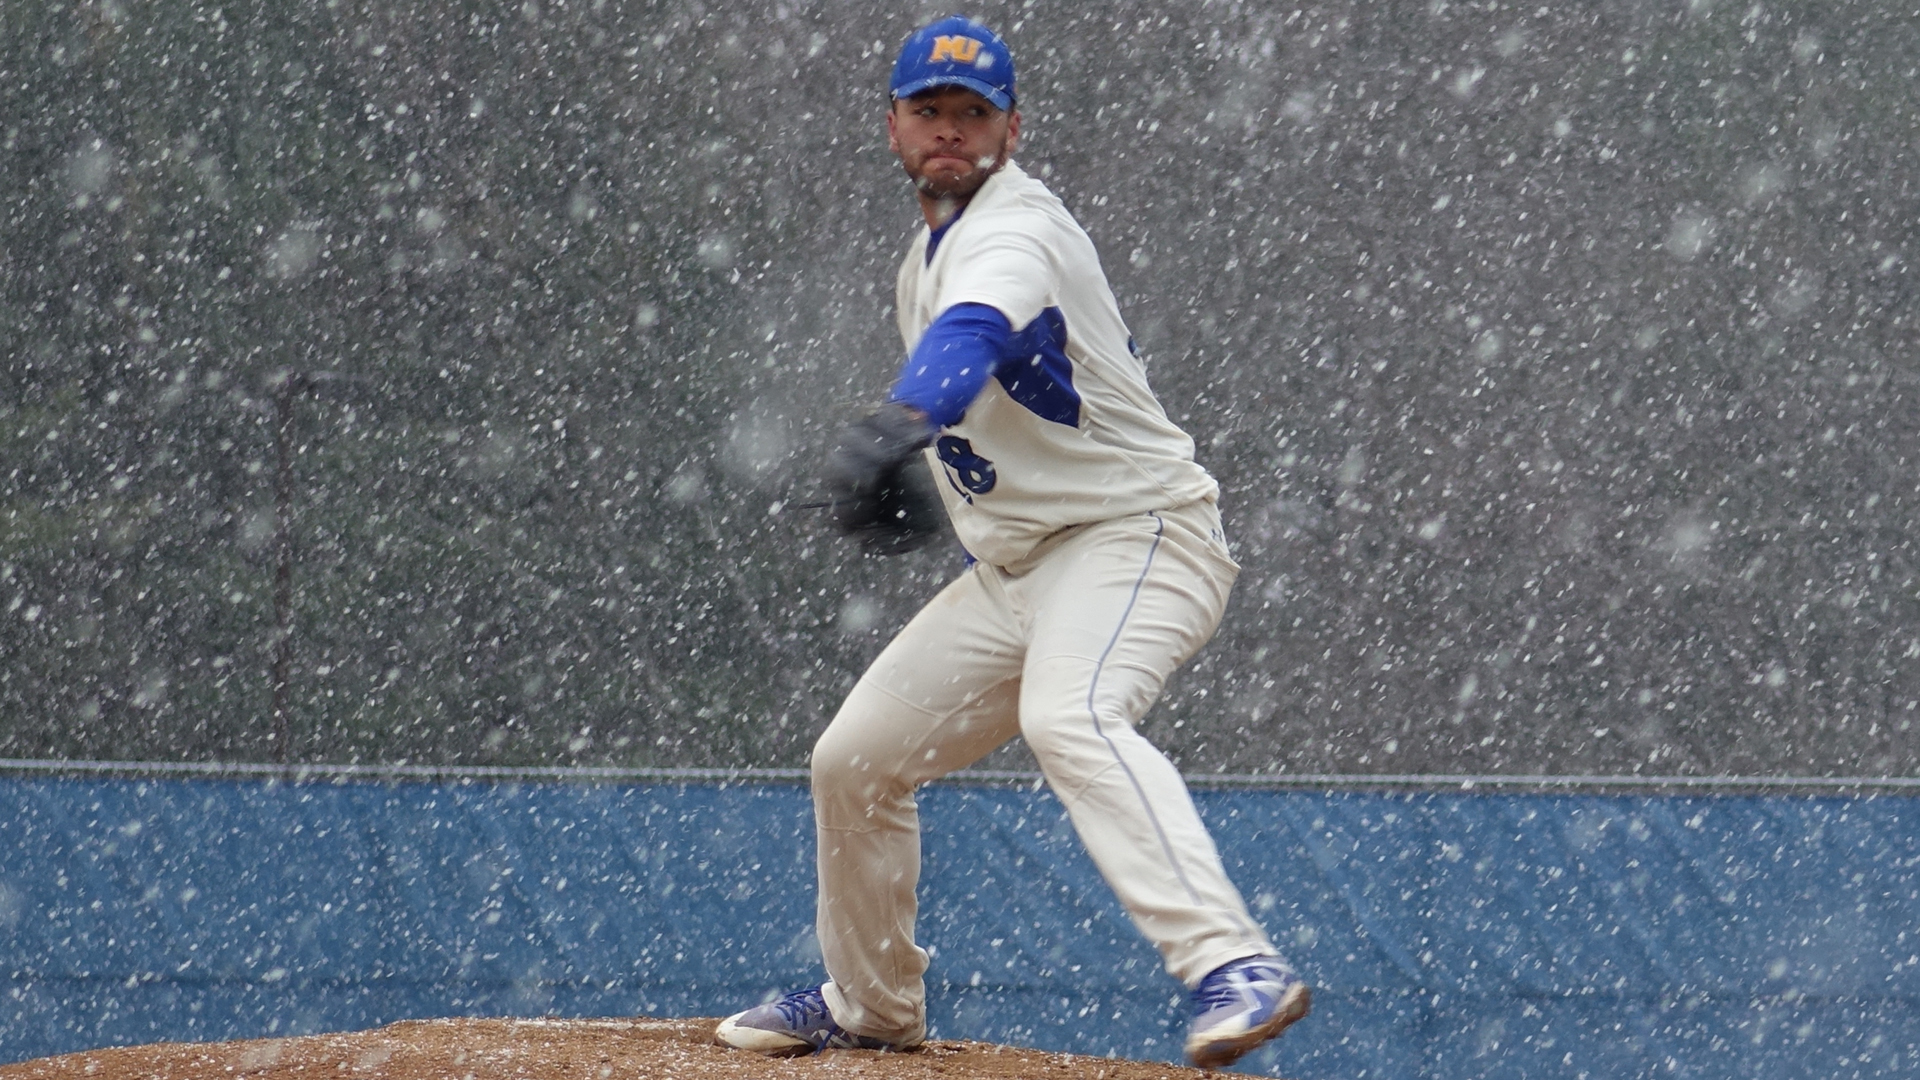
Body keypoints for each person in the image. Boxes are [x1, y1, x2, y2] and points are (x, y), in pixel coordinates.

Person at [714, 16, 1310, 1070]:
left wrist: (906, 420)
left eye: (973, 113)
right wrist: (948, 497)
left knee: (1071, 714)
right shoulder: (925, 256)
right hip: (1026, 567)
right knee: (853, 761)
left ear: (1011, 129)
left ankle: (1235, 964)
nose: (950, 131)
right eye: (930, 111)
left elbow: (976, 335)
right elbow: (1006, 411)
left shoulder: (1015, 228)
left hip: (1142, 536)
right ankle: (872, 1002)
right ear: (892, 124)